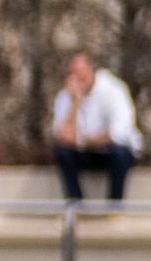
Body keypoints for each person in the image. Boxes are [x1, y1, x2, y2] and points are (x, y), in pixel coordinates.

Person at [50, 50, 138, 202]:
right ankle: (76, 206)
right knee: (62, 153)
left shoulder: (114, 90)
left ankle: (114, 206)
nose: (77, 78)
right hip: (85, 153)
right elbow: (62, 135)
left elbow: (117, 133)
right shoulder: (67, 95)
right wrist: (76, 102)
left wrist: (81, 140)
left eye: (80, 72)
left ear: (92, 69)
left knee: (120, 154)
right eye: (73, 73)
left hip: (112, 153)